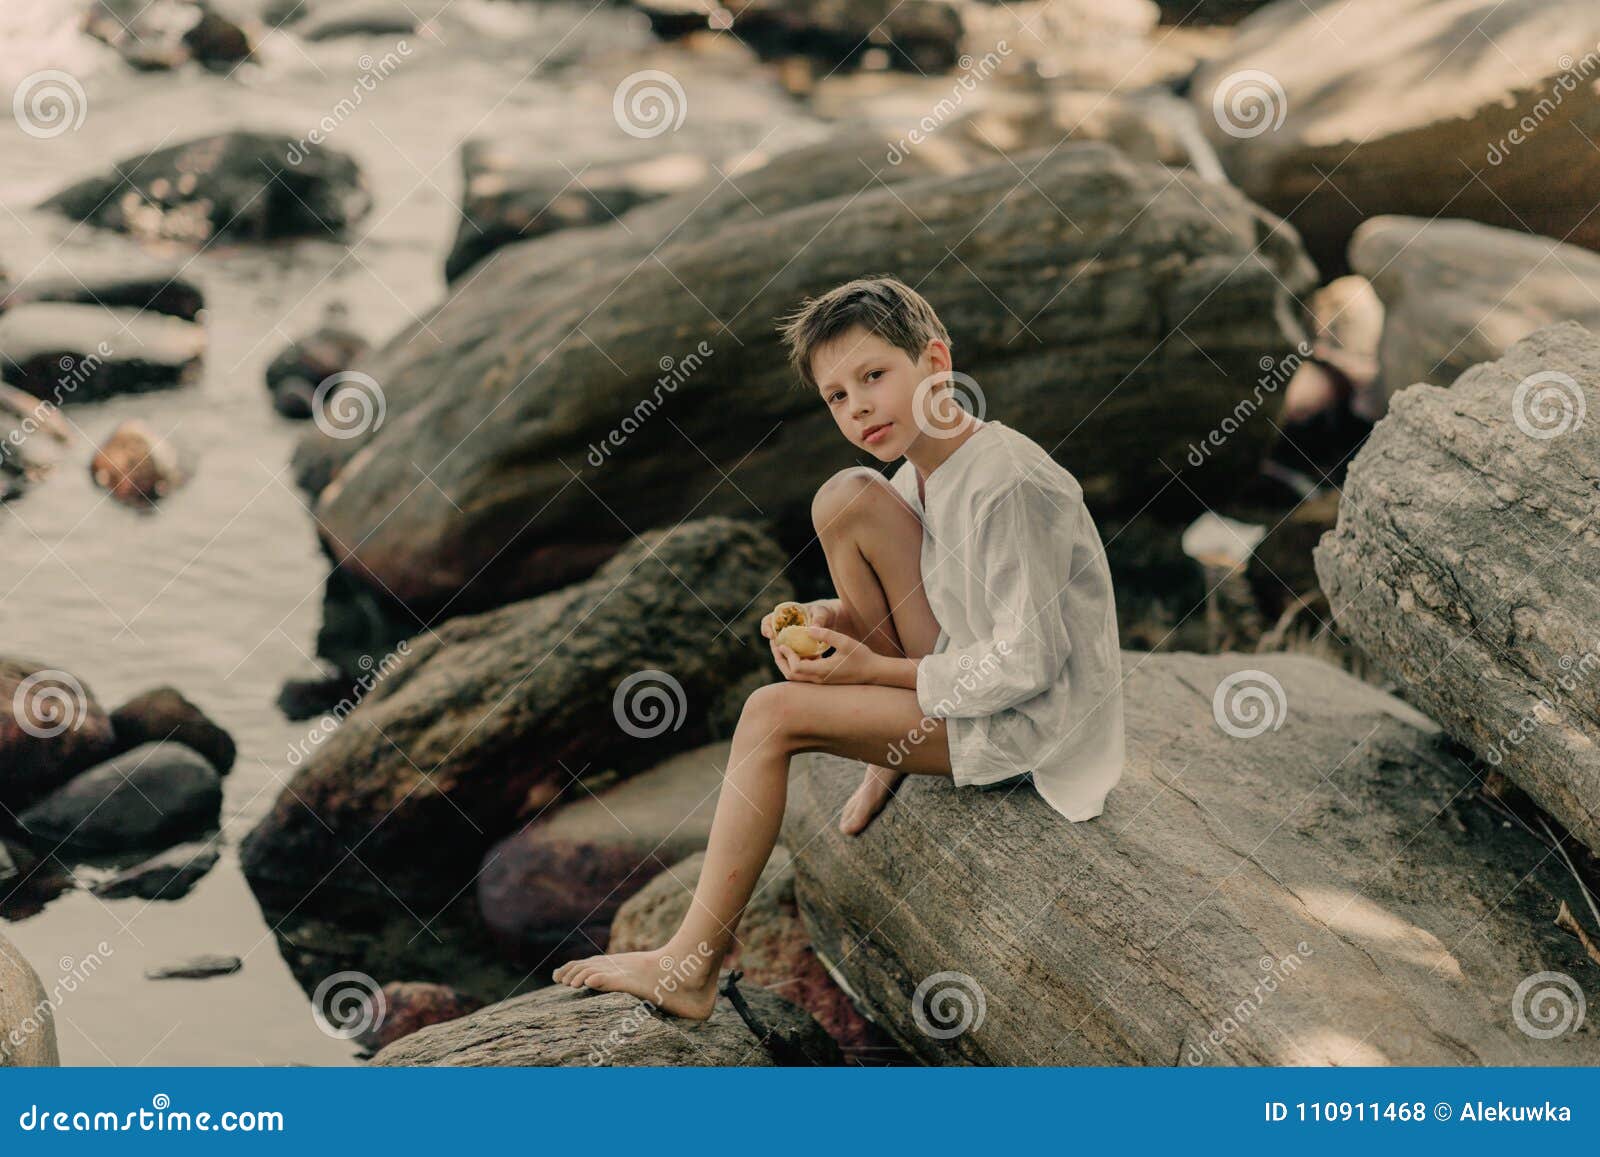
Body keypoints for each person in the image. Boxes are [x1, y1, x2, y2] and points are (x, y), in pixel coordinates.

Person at [552, 275, 1125, 1019]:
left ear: (936, 362)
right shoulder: (921, 474)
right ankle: (889, 752)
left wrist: (875, 671)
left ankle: (686, 966)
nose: (857, 406)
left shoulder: (1007, 483)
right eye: (836, 396)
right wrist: (831, 621)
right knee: (846, 495)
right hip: (965, 668)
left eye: (874, 376)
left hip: (1039, 721)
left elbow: (1030, 662)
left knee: (769, 714)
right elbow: (939, 594)